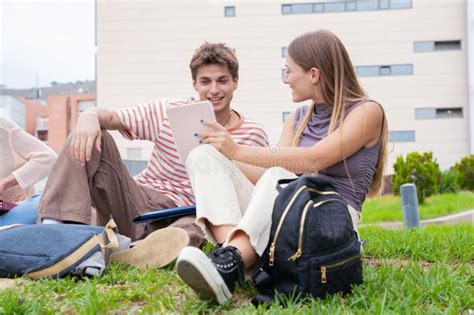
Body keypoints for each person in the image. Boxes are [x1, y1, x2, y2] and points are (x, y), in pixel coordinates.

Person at [176, 29, 389, 304]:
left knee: (280, 176)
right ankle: (228, 260)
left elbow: (314, 159)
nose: (285, 79)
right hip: (286, 211)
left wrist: (238, 149)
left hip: (330, 218)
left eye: (289, 71)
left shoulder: (367, 111)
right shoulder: (299, 116)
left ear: (313, 74)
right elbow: (268, 176)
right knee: (204, 155)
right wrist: (223, 156)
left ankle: (233, 262)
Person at [37, 42, 269, 268]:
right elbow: (112, 117)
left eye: (222, 81)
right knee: (92, 134)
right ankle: (52, 230)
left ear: (235, 82)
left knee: (196, 225)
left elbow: (256, 190)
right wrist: (89, 116)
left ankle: (133, 251)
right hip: (142, 203)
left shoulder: (253, 133)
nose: (214, 90)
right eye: (205, 82)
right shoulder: (169, 111)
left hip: (195, 212)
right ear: (194, 84)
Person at [0, 117, 57, 226]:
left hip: (13, 214)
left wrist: (4, 184)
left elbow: (48, 158)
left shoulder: (3, 128)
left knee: (48, 200)